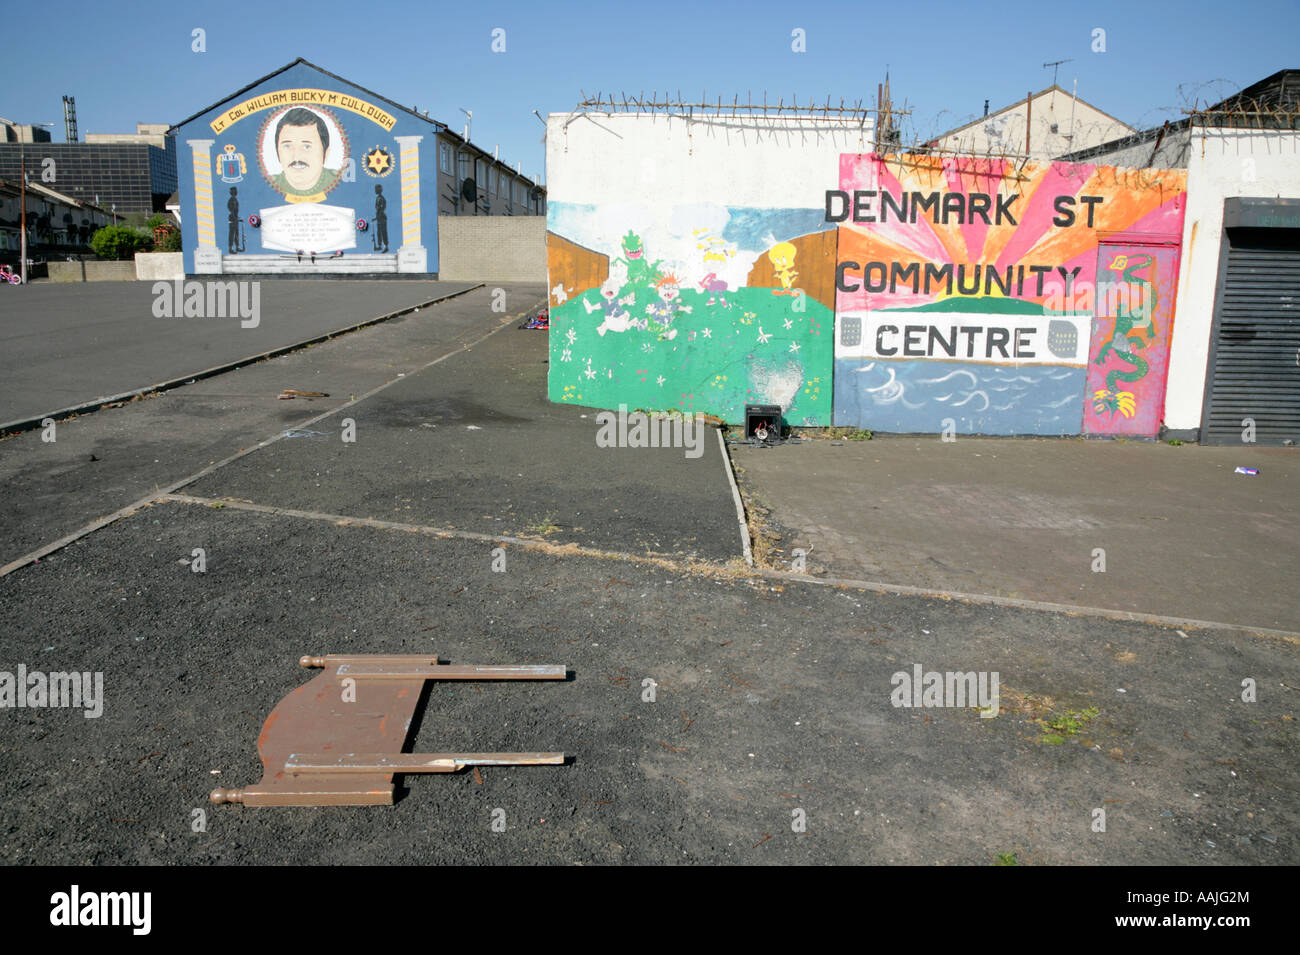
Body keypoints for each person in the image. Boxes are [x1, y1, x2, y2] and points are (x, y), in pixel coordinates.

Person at [270, 107, 341, 200]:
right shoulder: (265, 185)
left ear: (326, 153)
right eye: (287, 146)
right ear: (277, 151)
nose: (296, 157)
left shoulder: (342, 183)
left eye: (306, 147)